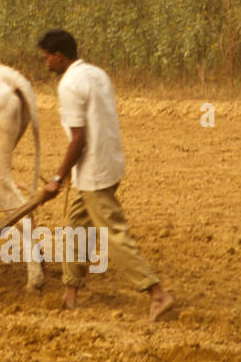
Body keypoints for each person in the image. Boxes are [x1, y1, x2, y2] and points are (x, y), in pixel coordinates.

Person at [36, 29, 175, 323]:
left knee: (113, 235)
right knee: (76, 225)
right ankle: (70, 294)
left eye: (47, 57)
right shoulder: (97, 74)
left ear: (59, 56)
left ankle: (157, 295)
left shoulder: (69, 85)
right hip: (109, 163)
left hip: (94, 171)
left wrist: (57, 179)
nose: (45, 63)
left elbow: (78, 139)